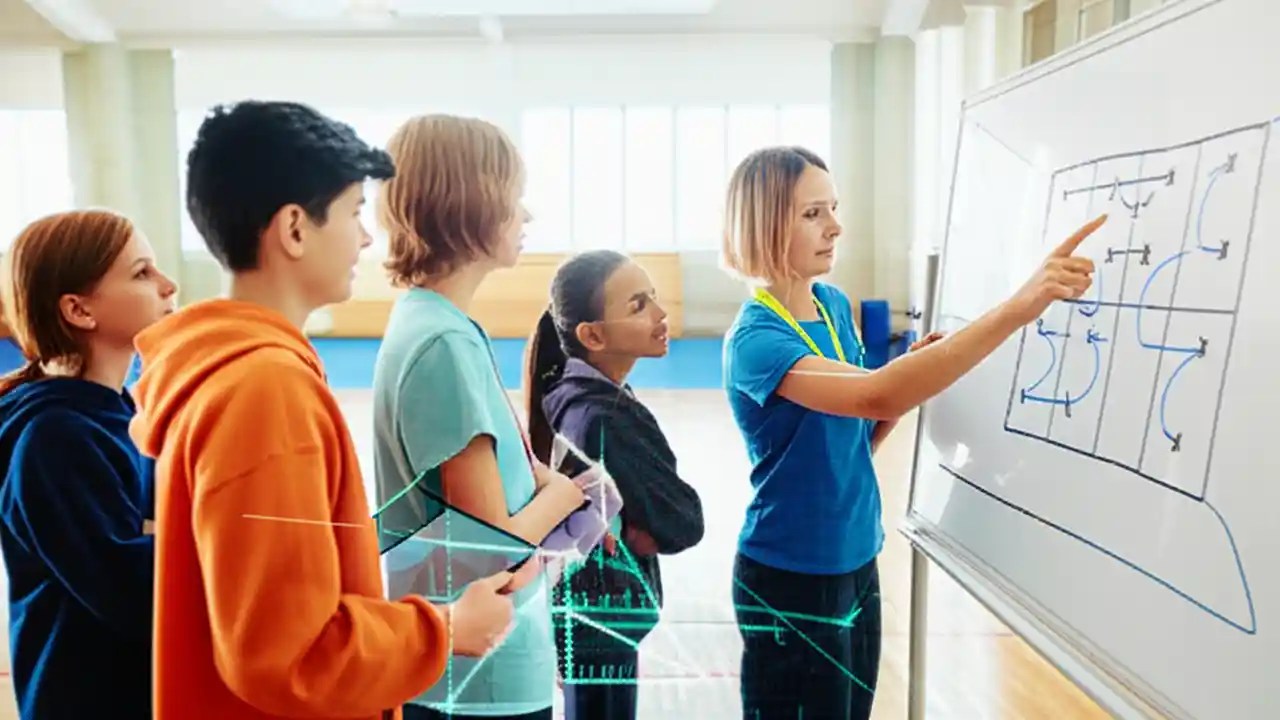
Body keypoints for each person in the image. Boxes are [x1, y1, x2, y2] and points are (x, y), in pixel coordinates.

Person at [127, 101, 519, 720]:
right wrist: (443, 630)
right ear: (294, 229)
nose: (366, 236)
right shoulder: (264, 392)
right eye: (354, 212)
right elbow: (289, 653)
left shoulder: (238, 371)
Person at [720, 146, 1105, 720]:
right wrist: (1019, 307)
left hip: (856, 557)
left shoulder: (830, 305)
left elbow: (858, 434)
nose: (836, 227)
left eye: (833, 208)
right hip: (790, 577)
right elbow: (877, 393)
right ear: (764, 222)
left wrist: (903, 385)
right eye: (812, 214)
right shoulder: (755, 341)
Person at [373, 113, 585, 720]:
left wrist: (538, 483)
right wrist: (565, 495)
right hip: (476, 683)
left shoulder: (437, 324)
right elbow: (488, 547)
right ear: (473, 205)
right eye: (515, 199)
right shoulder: (441, 343)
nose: (526, 216)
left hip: (474, 671)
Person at [0, 209, 174, 719]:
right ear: (79, 310)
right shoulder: (55, 439)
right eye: (142, 273)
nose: (168, 286)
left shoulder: (119, 410)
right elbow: (135, 592)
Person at [523, 249, 706, 720]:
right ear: (593, 335)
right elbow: (682, 522)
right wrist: (646, 527)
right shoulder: (605, 419)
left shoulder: (569, 392)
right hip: (600, 621)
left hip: (586, 615)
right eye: (638, 305)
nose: (660, 315)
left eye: (654, 299)